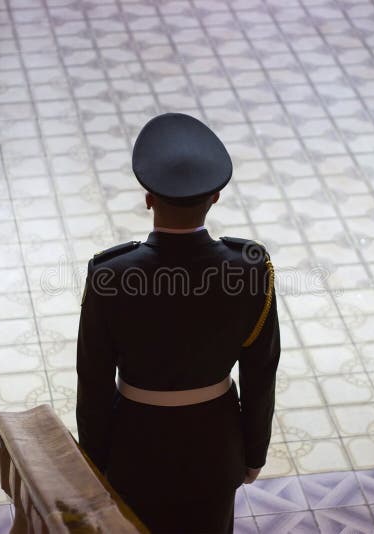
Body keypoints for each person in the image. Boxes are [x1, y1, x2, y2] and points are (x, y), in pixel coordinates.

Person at [76, 112, 281, 533]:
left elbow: (92, 379)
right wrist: (253, 451)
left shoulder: (110, 275)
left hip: (134, 452)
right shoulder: (250, 270)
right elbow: (261, 371)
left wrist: (94, 462)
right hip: (216, 450)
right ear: (216, 197)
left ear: (148, 197)